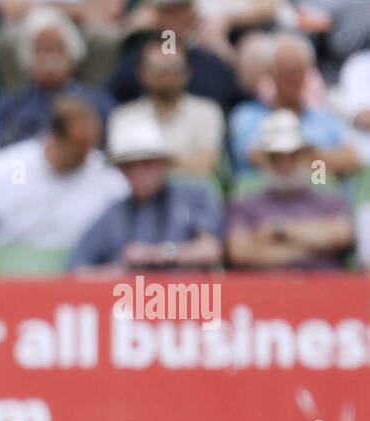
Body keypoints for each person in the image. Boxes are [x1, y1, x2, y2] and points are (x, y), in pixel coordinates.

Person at [0, 96, 130, 272]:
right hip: (7, 295)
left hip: (74, 300)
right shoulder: (9, 170)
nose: (85, 156)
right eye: (78, 148)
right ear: (55, 137)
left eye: (90, 147)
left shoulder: (104, 177)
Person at [70, 117, 223, 271]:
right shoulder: (113, 215)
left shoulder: (194, 196)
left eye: (147, 163)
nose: (139, 172)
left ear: (162, 163)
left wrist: (156, 254)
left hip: (188, 292)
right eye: (130, 166)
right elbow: (76, 269)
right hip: (127, 293)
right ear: (121, 170)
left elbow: (210, 250)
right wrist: (117, 272)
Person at [226, 110, 354, 270]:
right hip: (262, 289)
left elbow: (342, 235)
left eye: (293, 155)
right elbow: (240, 252)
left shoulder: (328, 195)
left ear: (305, 156)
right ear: (265, 161)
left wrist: (279, 230)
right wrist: (315, 246)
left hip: (324, 287)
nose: (285, 164)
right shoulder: (245, 201)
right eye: (276, 157)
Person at [228, 32, 358, 176]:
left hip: (315, 190)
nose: (292, 79)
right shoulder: (247, 116)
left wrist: (306, 158)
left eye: (298, 71)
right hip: (263, 194)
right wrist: (315, 157)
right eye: (285, 72)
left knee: (323, 185)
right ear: (271, 73)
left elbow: (351, 158)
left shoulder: (324, 118)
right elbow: (254, 156)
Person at [0, 5, 113, 146]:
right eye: (43, 50)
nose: (50, 59)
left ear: (72, 55)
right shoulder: (10, 106)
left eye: (57, 49)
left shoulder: (96, 102)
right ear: (28, 59)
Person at [109, 40, 225, 177]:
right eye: (158, 68)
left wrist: (150, 162)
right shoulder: (124, 116)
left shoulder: (207, 112)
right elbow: (119, 170)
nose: (167, 75)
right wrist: (173, 163)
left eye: (175, 68)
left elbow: (204, 167)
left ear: (187, 72)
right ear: (141, 74)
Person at [108, 0, 243, 114]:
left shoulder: (212, 62)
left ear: (192, 13)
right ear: (157, 15)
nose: (176, 18)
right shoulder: (137, 58)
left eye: (181, 10)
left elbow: (234, 99)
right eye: (169, 11)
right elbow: (115, 97)